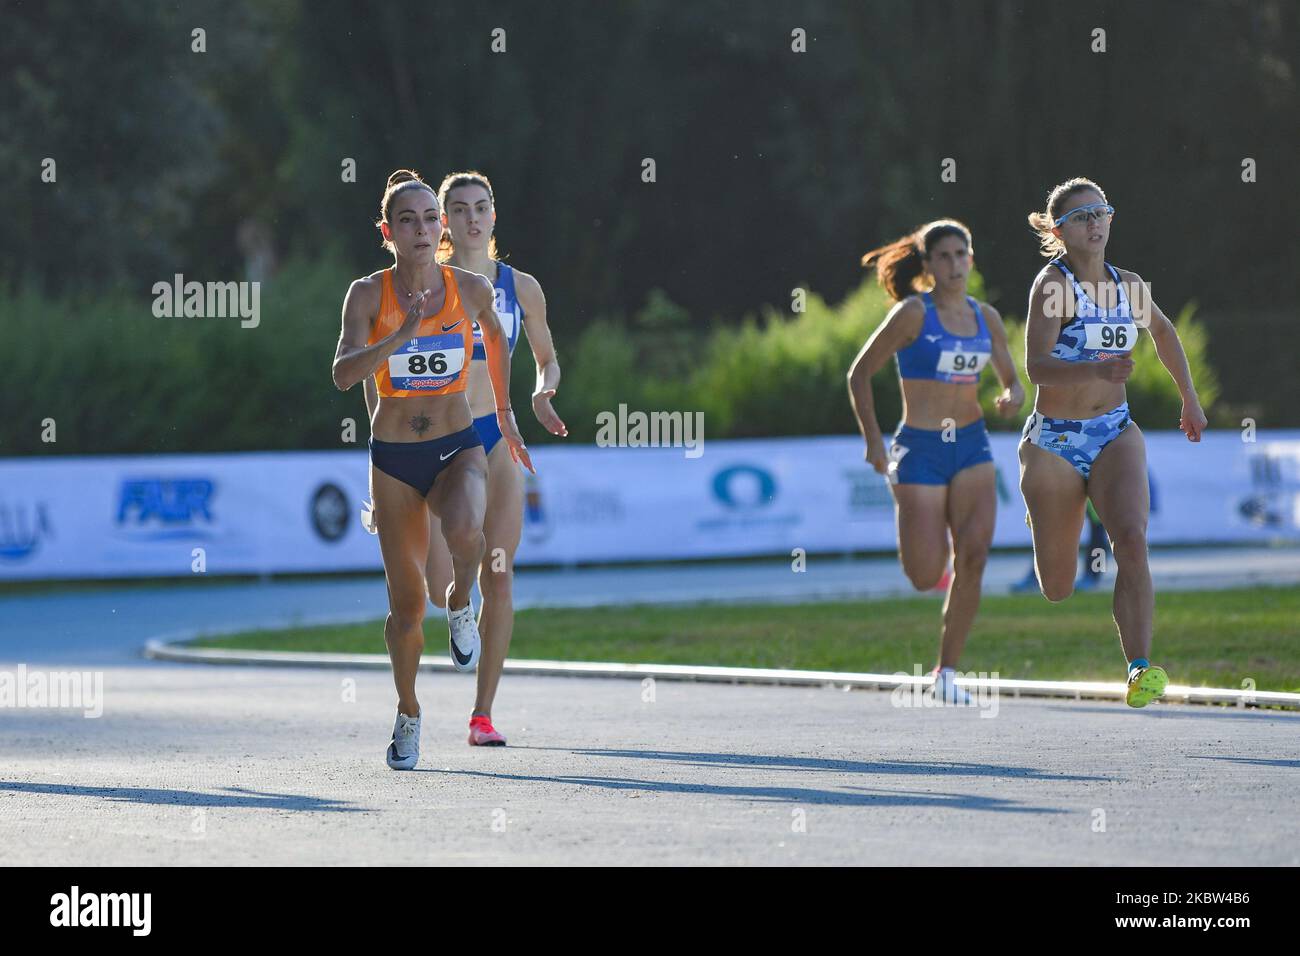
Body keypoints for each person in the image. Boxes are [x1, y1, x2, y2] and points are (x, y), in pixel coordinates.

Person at [333, 169, 533, 769]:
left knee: (469, 528)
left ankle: (463, 601)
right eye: (407, 221)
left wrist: (503, 410)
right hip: (394, 460)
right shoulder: (367, 295)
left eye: (429, 219)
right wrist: (402, 337)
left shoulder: (468, 288)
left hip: (457, 444)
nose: (421, 229)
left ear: (440, 229)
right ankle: (409, 712)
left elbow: (496, 341)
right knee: (406, 610)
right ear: (388, 232)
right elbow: (344, 374)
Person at [1020, 177, 1206, 708]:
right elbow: (1037, 369)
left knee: (1131, 537)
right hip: (1055, 441)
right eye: (1082, 217)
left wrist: (1188, 398)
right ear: (1060, 232)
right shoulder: (1051, 288)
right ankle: (1048, 513)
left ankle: (1140, 667)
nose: (1095, 223)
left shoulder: (1129, 285)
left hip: (1114, 432)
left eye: (1102, 212)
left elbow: (1164, 333)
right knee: (1058, 586)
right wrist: (1095, 366)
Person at [849, 219, 1024, 704]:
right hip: (919, 449)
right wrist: (873, 442)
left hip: (971, 446)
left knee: (976, 555)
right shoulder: (912, 314)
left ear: (971, 259)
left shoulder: (985, 317)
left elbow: (1011, 378)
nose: (953, 264)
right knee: (926, 575)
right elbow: (858, 374)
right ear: (927, 265)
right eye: (943, 257)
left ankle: (946, 672)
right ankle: (926, 538)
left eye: (961, 255)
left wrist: (1011, 394)